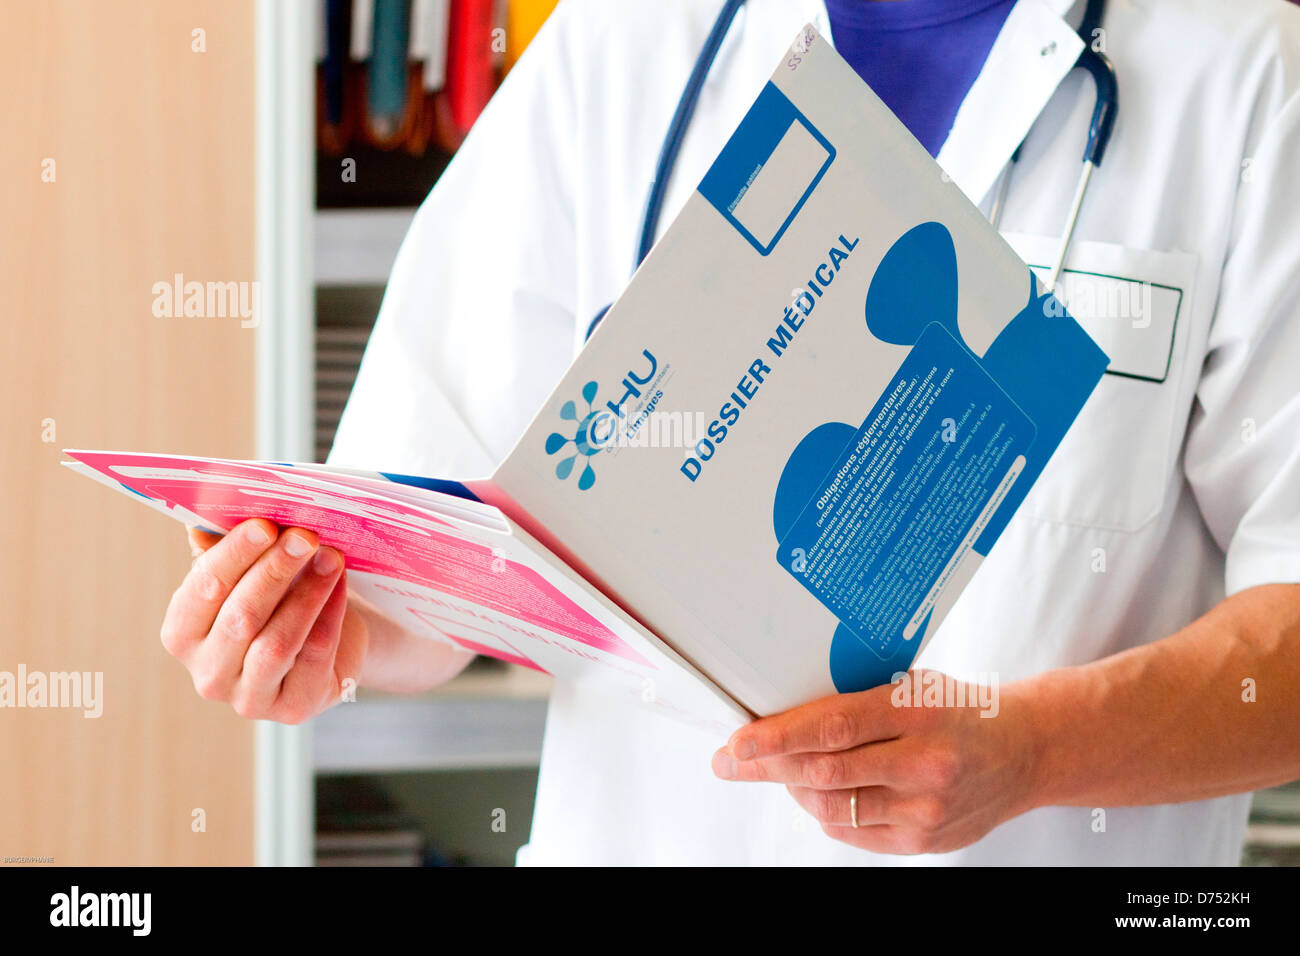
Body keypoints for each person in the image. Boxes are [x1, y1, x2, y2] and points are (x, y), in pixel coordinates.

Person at [163, 0, 1300, 865]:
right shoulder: (622, 44)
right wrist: (315, 619)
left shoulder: (1248, 70)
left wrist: (1042, 751)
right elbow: (420, 563)